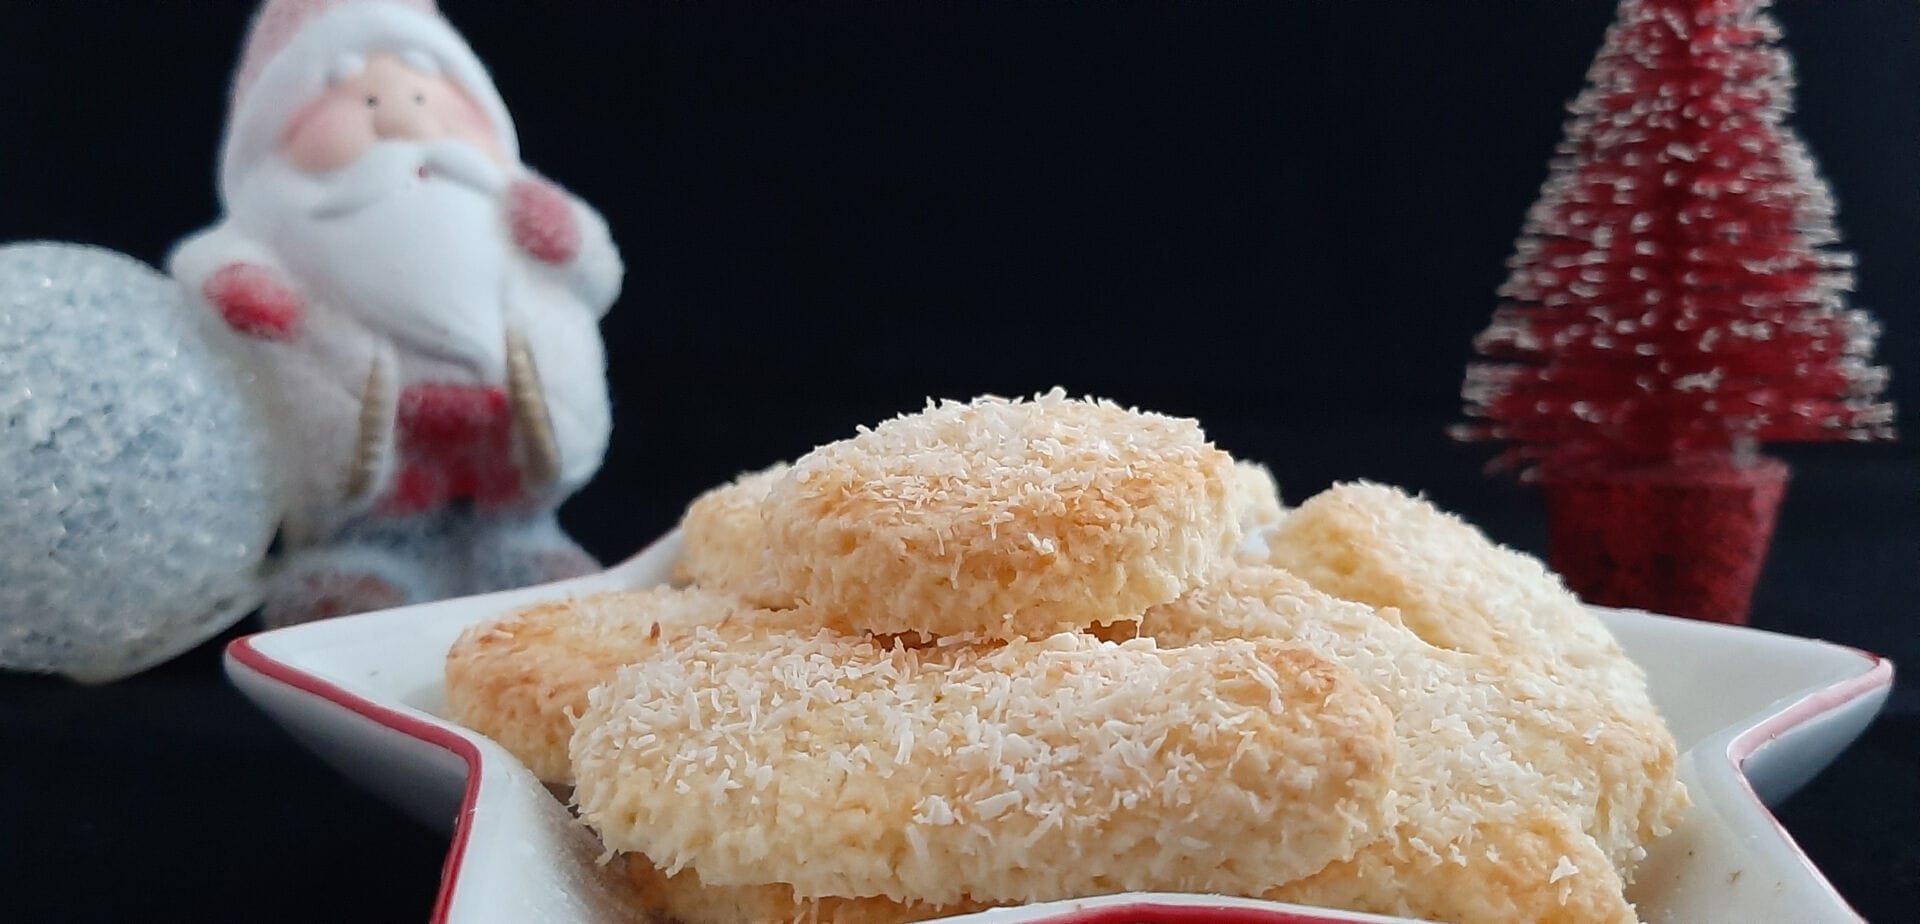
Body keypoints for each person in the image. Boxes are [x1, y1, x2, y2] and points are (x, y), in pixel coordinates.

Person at [171, 0, 622, 626]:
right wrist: (244, 287)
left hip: (513, 406)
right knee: (376, 505)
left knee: (515, 487)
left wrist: (565, 241)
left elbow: (596, 275)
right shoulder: (275, 209)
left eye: (422, 92)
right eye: (360, 99)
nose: (401, 114)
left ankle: (523, 551)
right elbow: (208, 266)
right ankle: (365, 569)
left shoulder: (508, 192)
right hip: (363, 408)